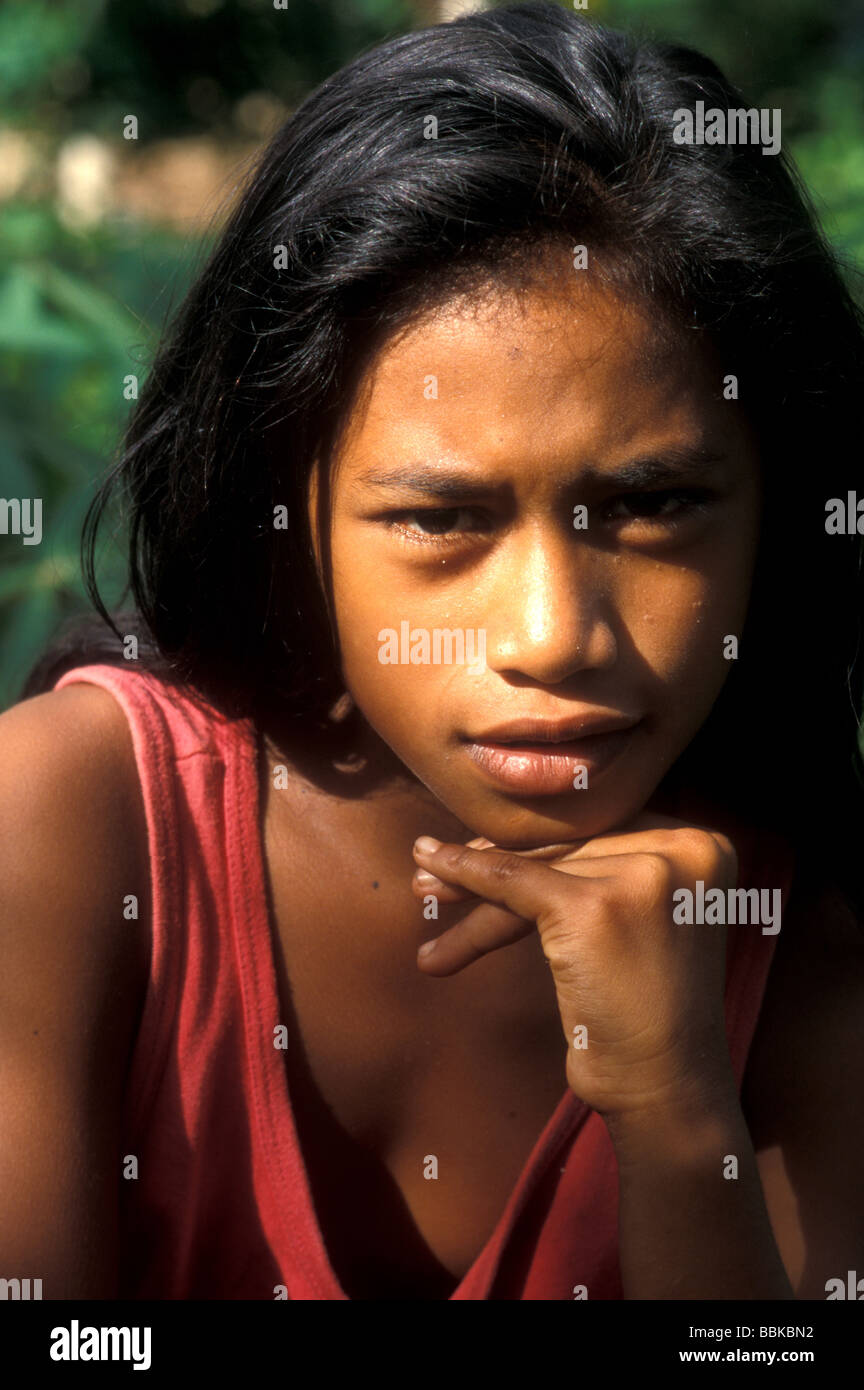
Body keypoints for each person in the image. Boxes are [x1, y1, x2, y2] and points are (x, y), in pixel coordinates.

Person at [2, 1, 864, 1301]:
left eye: (653, 507)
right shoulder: (70, 827)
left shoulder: (795, 939)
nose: (552, 635)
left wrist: (680, 1119)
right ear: (288, 515)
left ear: (776, 506)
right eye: (439, 518)